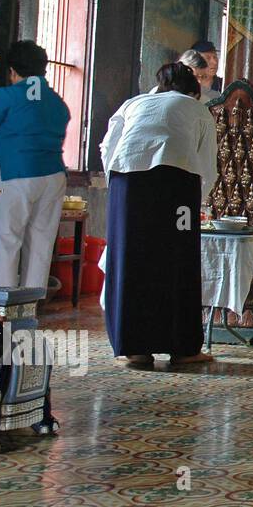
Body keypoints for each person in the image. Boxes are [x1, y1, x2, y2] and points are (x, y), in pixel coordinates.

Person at [100, 62, 218, 368]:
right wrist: (199, 201)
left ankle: (134, 348)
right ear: (193, 91)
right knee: (178, 257)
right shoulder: (197, 108)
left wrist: (117, 188)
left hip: (127, 183)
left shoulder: (134, 103)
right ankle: (183, 348)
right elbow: (207, 162)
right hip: (177, 184)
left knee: (131, 257)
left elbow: (108, 146)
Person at [0, 41, 70, 288]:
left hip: (13, 174)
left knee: (6, 244)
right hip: (53, 176)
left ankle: (4, 308)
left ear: (12, 71)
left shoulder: (6, 96)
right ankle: (31, 307)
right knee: (41, 247)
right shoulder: (57, 102)